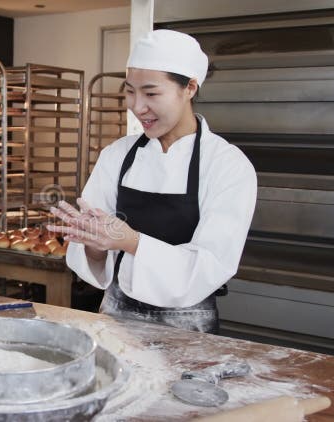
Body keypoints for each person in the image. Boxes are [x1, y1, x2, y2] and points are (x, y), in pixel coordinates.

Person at [47, 30, 257, 333]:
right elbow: (97, 262)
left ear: (190, 88)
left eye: (151, 93)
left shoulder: (226, 165)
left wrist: (131, 242)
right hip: (114, 318)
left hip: (189, 328)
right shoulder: (116, 155)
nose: (137, 105)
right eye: (130, 91)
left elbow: (209, 267)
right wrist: (94, 243)